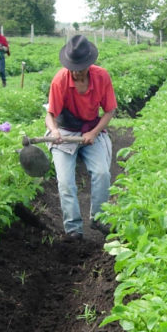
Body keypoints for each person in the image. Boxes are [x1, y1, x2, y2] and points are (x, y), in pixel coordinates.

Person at [45, 35, 118, 241]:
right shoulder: (60, 80)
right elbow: (50, 114)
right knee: (66, 182)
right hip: (65, 132)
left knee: (102, 173)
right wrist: (55, 132)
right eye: (73, 67)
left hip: (91, 129)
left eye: (81, 67)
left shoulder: (101, 77)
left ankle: (99, 217)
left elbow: (110, 111)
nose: (76, 72)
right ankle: (73, 230)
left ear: (89, 64)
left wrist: (93, 133)